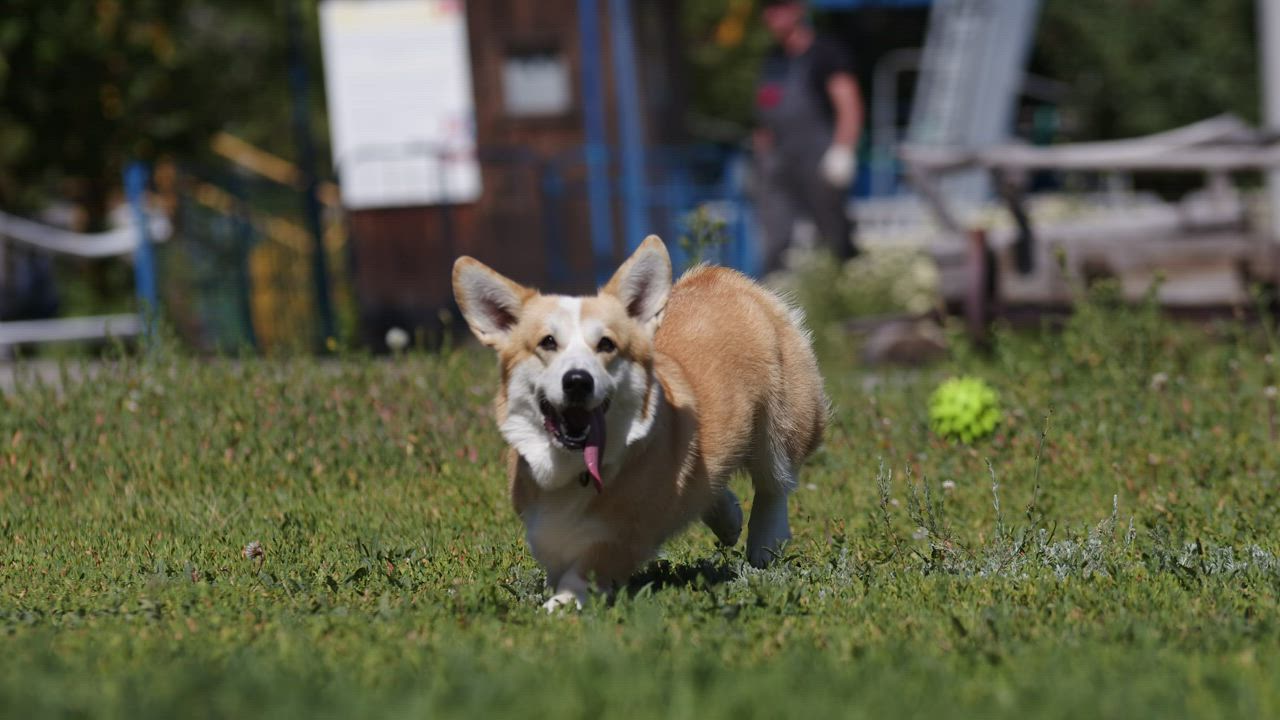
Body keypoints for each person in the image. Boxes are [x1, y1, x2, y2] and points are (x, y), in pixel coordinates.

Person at [753, 0, 864, 272]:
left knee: (833, 234)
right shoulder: (773, 59)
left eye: (780, 7)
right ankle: (775, 290)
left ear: (798, 9)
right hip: (779, 162)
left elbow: (849, 104)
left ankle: (847, 284)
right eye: (768, 9)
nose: (773, 15)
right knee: (776, 237)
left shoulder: (825, 53)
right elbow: (767, 112)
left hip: (818, 158)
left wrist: (843, 149)